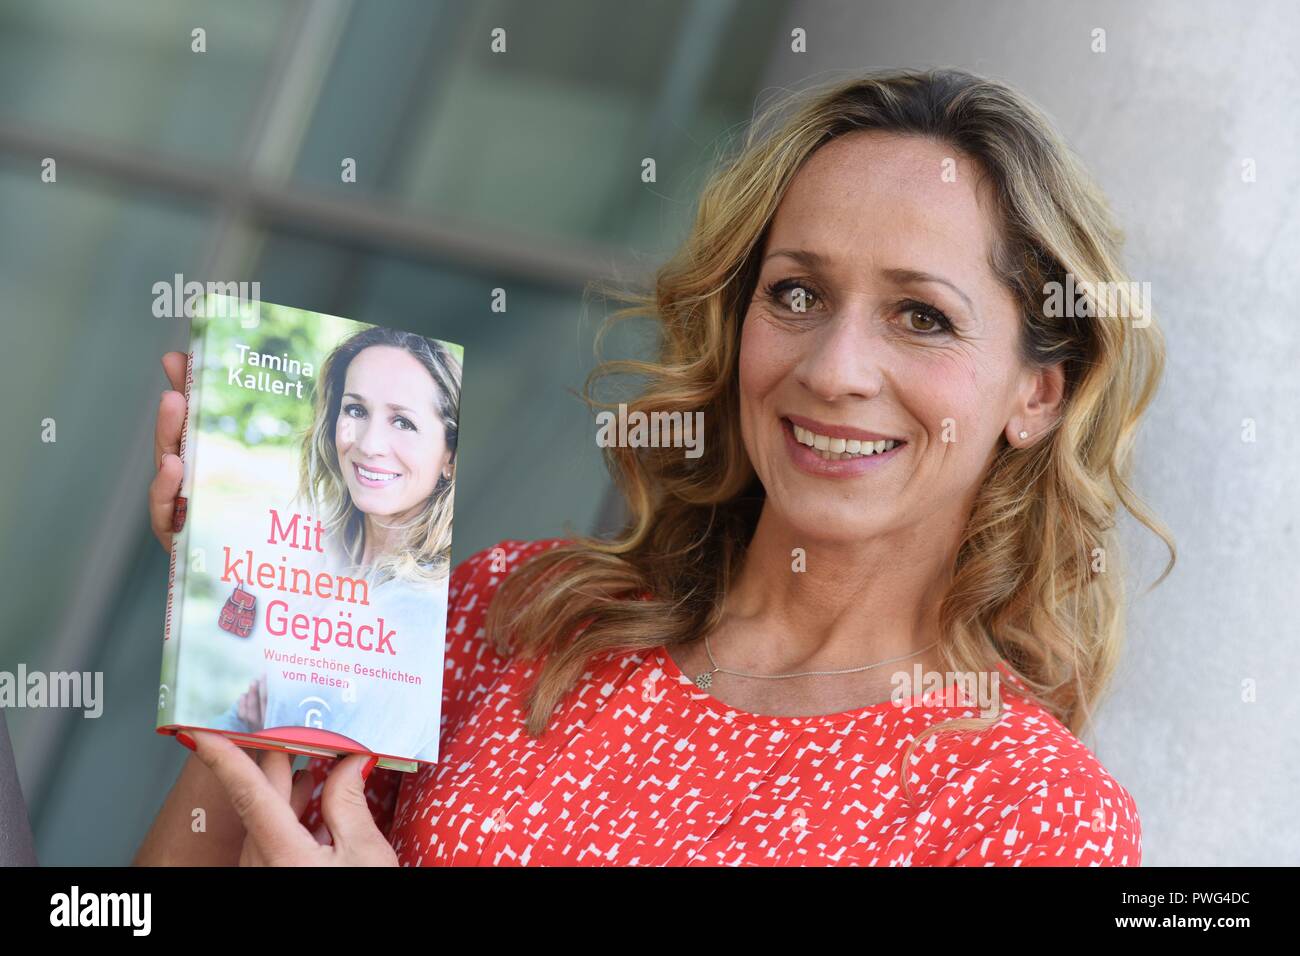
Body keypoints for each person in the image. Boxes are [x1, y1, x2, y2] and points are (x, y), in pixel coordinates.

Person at [135, 68, 1172, 867]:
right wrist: (266, 600)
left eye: (922, 316)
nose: (834, 368)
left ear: (1038, 391)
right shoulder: (518, 612)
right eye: (798, 294)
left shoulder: (1027, 815)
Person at [200, 326, 460, 763]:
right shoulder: (314, 559)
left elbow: (338, 781)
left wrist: (264, 724)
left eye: (403, 421)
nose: (368, 444)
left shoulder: (421, 612)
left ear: (450, 455)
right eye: (355, 410)